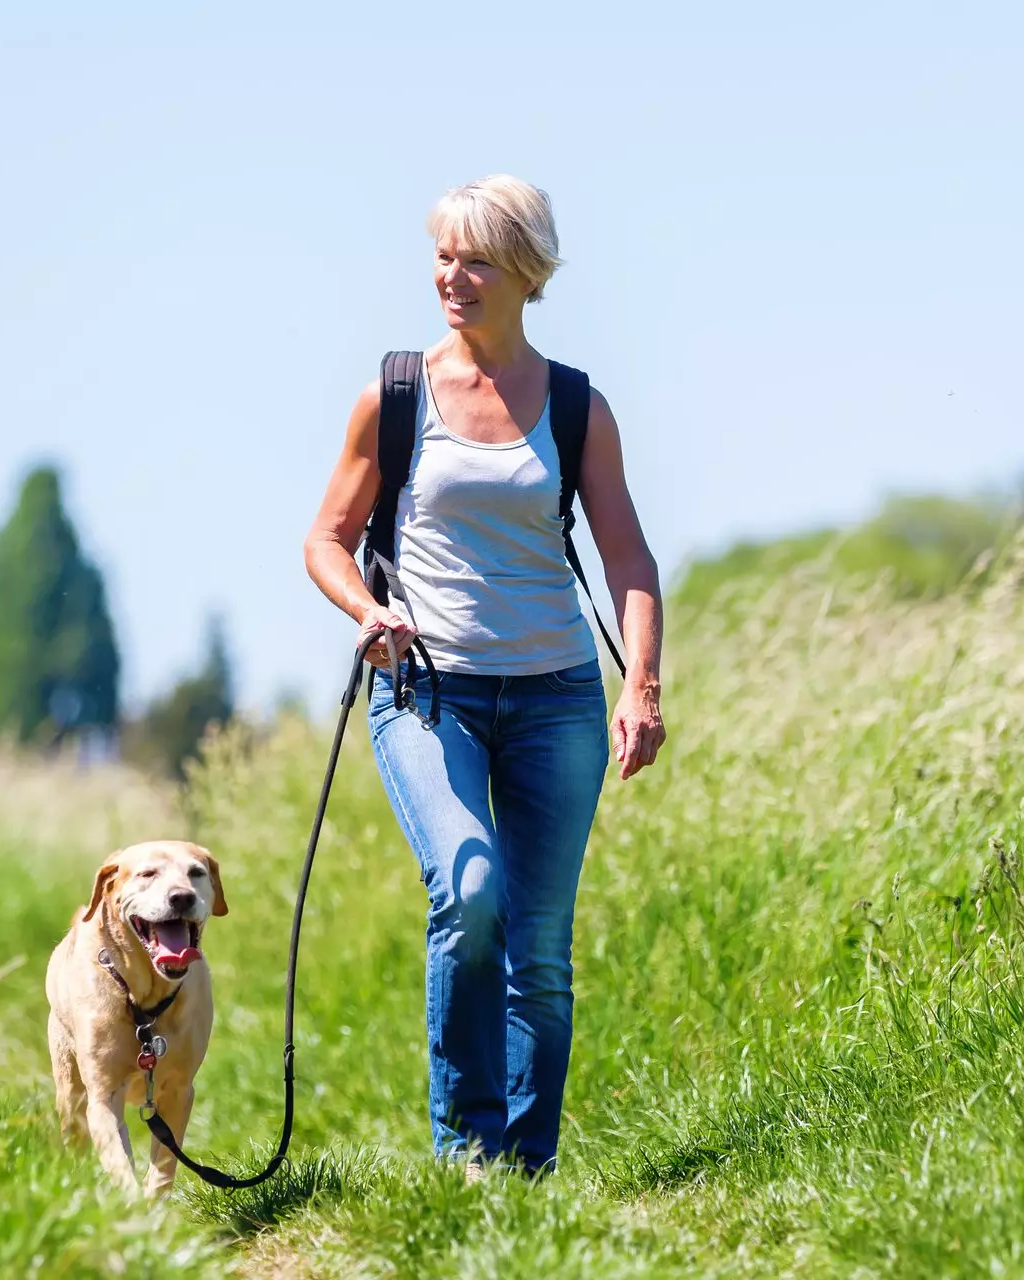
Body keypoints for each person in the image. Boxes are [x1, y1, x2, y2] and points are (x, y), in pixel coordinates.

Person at [303, 174, 666, 1177]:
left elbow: (629, 559)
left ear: (524, 271)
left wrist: (641, 682)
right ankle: (466, 1151)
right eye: (442, 256)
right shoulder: (398, 393)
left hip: (556, 696)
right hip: (430, 692)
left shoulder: (578, 405)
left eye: (474, 259)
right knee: (468, 891)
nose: (450, 276)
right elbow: (327, 539)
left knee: (539, 950)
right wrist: (368, 610)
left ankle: (525, 1171)